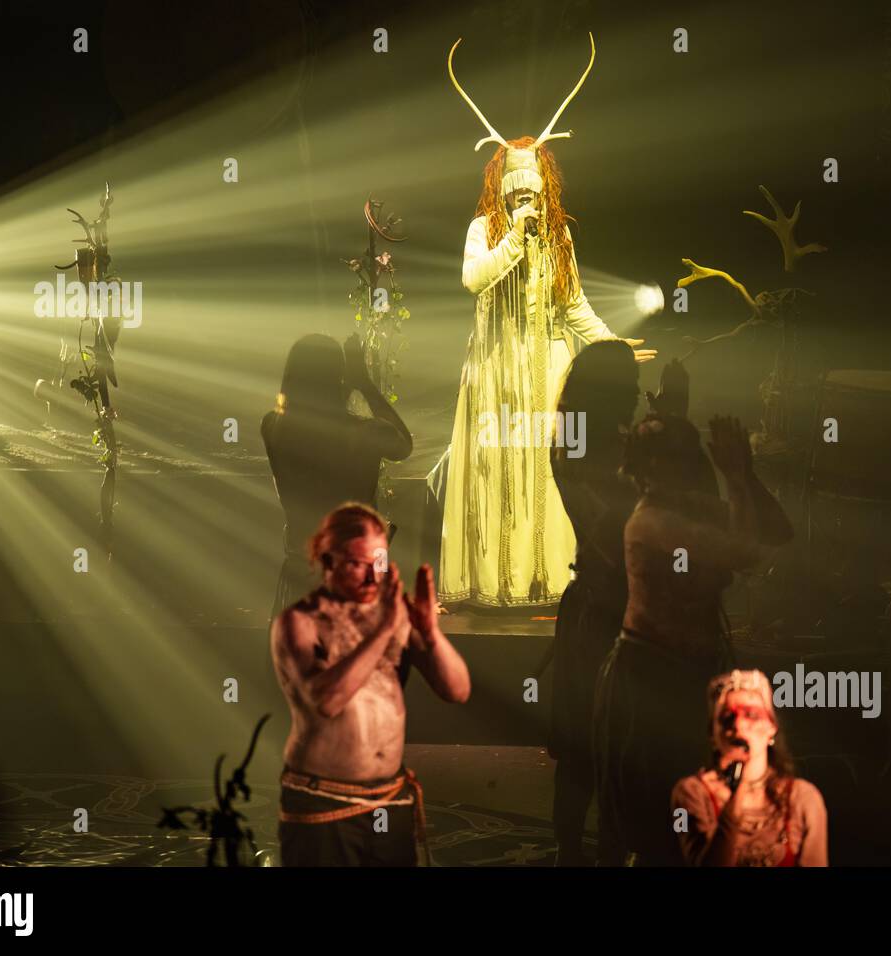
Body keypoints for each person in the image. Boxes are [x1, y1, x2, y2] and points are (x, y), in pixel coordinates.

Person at [439, 35, 654, 608]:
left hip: (544, 371)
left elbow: (574, 306)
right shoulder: (483, 231)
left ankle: (546, 578)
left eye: (531, 191)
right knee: (495, 470)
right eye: (516, 192)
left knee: (546, 468)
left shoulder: (559, 240)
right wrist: (513, 236)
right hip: (494, 367)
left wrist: (613, 347)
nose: (524, 200)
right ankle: (495, 582)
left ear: (544, 186)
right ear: (502, 189)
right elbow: (472, 279)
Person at [594, 414, 793, 865]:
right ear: (645, 470)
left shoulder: (691, 509)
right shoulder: (650, 522)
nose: (678, 472)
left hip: (694, 679)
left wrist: (746, 475)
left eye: (684, 462)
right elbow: (743, 551)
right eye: (667, 463)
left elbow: (780, 532)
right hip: (652, 681)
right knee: (659, 820)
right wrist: (737, 480)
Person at [269, 503, 470, 866]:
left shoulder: (394, 616)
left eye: (379, 563)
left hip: (389, 798)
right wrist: (384, 631)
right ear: (327, 560)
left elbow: (457, 691)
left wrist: (430, 632)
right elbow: (325, 702)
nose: (371, 577)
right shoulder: (299, 623)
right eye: (357, 564)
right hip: (323, 801)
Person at [549, 351, 691, 864]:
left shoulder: (591, 436)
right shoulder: (585, 442)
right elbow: (614, 520)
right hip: (602, 607)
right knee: (595, 749)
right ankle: (579, 853)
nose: (637, 392)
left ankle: (592, 851)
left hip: (606, 602)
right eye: (628, 383)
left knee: (607, 751)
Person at [262, 333, 412, 619]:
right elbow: (403, 445)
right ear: (339, 379)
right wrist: (364, 384)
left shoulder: (272, 427)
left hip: (300, 573)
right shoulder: (364, 433)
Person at [671, 670, 827, 866]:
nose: (738, 725)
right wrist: (739, 788)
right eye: (727, 718)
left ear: (772, 727)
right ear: (713, 734)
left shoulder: (804, 798)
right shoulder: (688, 794)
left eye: (751, 715)